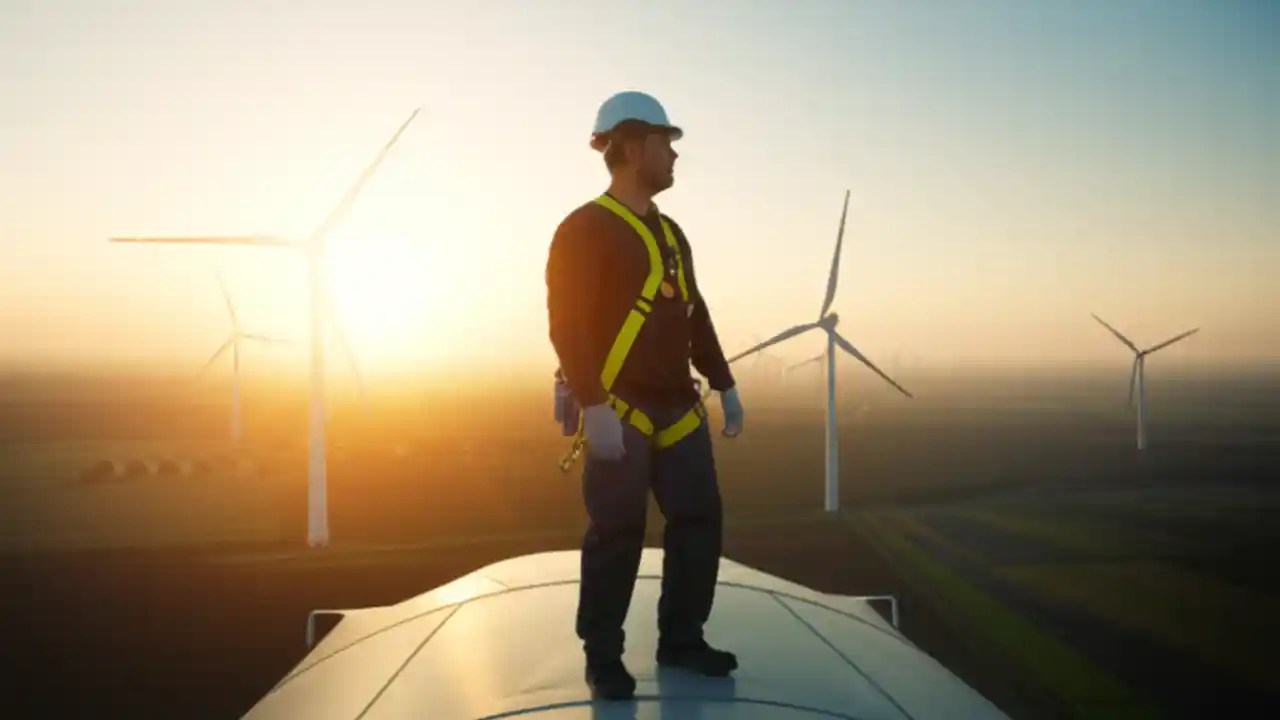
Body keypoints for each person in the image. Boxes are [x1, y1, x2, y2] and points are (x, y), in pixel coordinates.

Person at [545, 91, 744, 701]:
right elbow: (567, 323)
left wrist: (724, 381)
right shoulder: (583, 230)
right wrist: (593, 402)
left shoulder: (672, 233)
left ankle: (681, 639)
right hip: (620, 408)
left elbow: (693, 312)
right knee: (617, 529)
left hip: (678, 407)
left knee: (698, 520)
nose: (675, 153)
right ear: (631, 146)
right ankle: (603, 655)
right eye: (666, 141)